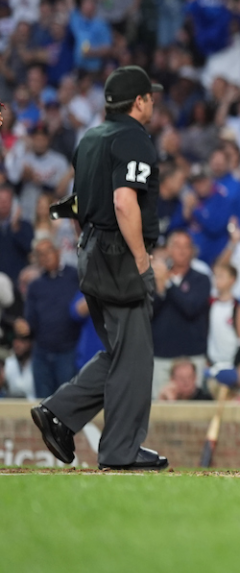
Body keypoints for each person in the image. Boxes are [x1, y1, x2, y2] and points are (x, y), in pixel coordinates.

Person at [33, 66, 169, 471]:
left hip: (89, 250)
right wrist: (141, 260)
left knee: (123, 352)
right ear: (139, 101)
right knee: (137, 356)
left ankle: (58, 413)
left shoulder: (90, 138)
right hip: (119, 254)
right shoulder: (133, 138)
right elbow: (124, 202)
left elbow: (76, 204)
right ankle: (120, 451)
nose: (153, 102)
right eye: (150, 96)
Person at [148, 230, 212, 393]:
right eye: (177, 246)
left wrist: (168, 284)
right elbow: (148, 313)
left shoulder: (201, 279)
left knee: (192, 411)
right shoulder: (153, 279)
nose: (182, 250)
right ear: (168, 250)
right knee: (160, 408)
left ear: (192, 251)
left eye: (186, 246)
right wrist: (160, 291)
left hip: (191, 356)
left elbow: (190, 308)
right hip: (161, 354)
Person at [23, 238, 80, 399]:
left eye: (48, 251)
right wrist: (24, 327)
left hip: (68, 351)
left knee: (67, 401)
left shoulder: (74, 276)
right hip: (41, 352)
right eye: (40, 254)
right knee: (44, 403)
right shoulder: (35, 285)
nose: (45, 257)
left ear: (58, 251)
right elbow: (30, 320)